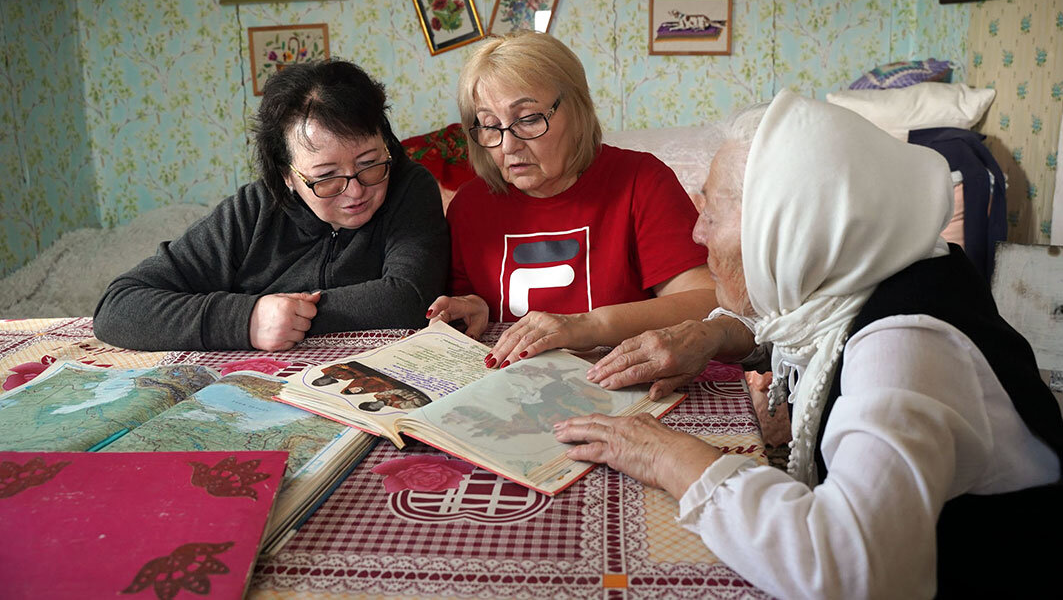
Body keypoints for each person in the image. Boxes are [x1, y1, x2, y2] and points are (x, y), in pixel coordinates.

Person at [554, 90, 1063, 598]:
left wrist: (668, 456)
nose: (695, 233)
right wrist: (716, 333)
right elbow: (811, 331)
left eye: (712, 213)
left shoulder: (906, 344)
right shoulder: (883, 262)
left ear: (789, 225)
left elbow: (852, 568)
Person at [427, 31, 754, 367]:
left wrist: (588, 325)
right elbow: (472, 301)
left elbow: (705, 302)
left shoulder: (641, 182)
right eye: (490, 125)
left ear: (578, 110)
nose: (508, 146)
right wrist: (478, 307)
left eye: (528, 119)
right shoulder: (470, 204)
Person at [94, 59, 448, 351]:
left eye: (370, 163)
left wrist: (292, 317)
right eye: (326, 177)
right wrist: (247, 319)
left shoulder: (408, 187)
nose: (355, 191)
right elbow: (119, 307)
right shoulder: (254, 210)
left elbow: (410, 298)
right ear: (287, 176)